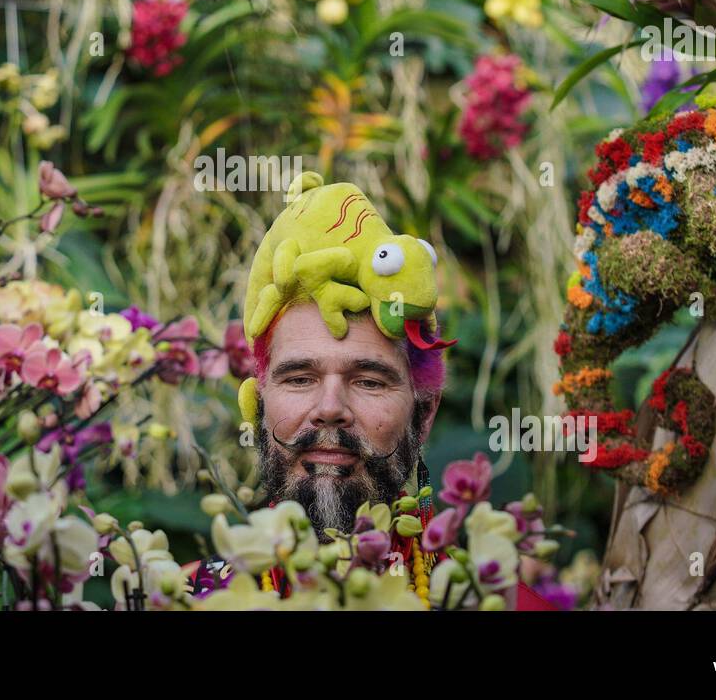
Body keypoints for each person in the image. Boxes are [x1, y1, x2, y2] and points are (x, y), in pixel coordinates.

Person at [188, 174, 556, 609]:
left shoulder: (493, 601)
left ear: (424, 412)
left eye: (369, 381)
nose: (329, 409)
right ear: (260, 401)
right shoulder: (181, 597)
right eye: (299, 378)